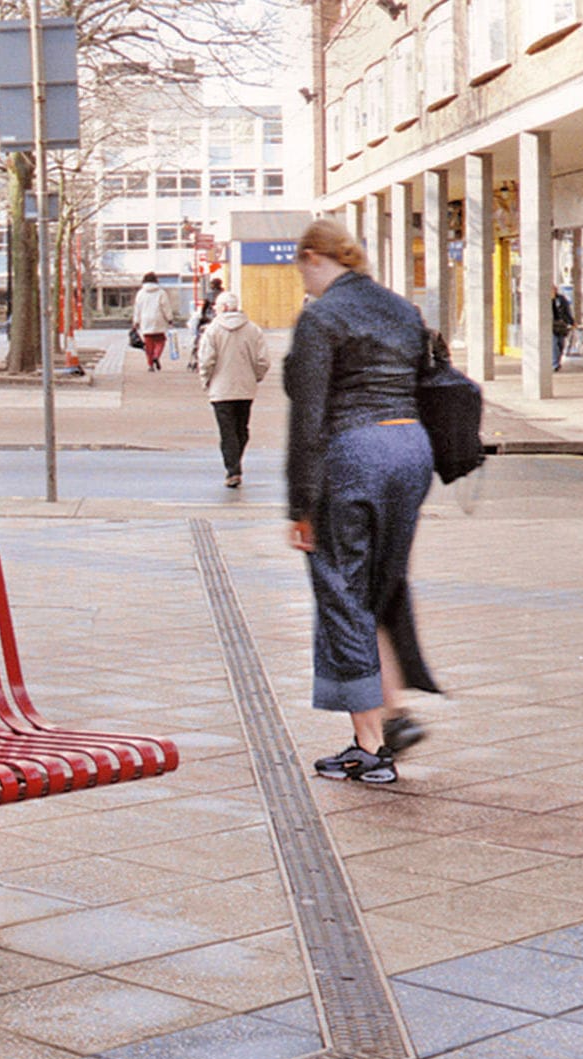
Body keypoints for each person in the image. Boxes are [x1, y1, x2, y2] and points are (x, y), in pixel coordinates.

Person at [284, 218, 440, 785]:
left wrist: (300, 505)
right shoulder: (401, 308)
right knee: (380, 583)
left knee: (342, 591)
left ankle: (371, 747)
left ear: (311, 257)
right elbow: (431, 376)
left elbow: (307, 420)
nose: (301, 280)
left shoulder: (321, 317)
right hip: (410, 449)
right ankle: (390, 714)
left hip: (354, 454)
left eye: (300, 267)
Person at [197, 293, 270, 488]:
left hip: (220, 390)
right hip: (246, 389)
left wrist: (205, 380)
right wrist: (256, 377)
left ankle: (233, 469)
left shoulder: (212, 331)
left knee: (227, 431)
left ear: (222, 308)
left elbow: (206, 360)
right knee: (241, 429)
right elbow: (263, 360)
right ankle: (235, 463)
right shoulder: (253, 330)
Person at [132, 271, 175, 371]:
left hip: (145, 320)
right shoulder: (161, 293)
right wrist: (170, 319)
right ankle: (156, 356)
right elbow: (166, 307)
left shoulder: (140, 293)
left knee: (148, 345)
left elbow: (137, 309)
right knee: (161, 340)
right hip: (158, 319)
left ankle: (150, 364)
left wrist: (136, 322)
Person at [190, 277, 223, 370]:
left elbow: (204, 308)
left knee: (200, 336)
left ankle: (198, 357)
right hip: (221, 319)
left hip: (209, 318)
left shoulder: (209, 295)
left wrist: (202, 317)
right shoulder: (224, 294)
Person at [552, 285, 575, 371]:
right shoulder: (545, 300)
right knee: (553, 344)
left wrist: (571, 321)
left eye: (554, 289)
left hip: (561, 325)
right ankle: (555, 364)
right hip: (551, 325)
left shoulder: (561, 299)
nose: (553, 291)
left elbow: (567, 310)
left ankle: (557, 360)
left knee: (561, 344)